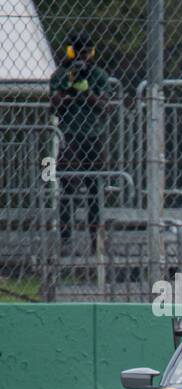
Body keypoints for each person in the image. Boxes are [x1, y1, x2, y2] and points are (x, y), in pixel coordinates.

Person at [49, 32, 114, 247]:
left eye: (87, 53)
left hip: (93, 136)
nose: (83, 58)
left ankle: (96, 239)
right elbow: (55, 106)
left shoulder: (99, 76)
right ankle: (65, 238)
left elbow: (105, 107)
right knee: (68, 186)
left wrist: (86, 92)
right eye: (79, 53)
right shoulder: (60, 75)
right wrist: (68, 88)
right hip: (70, 136)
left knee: (95, 187)